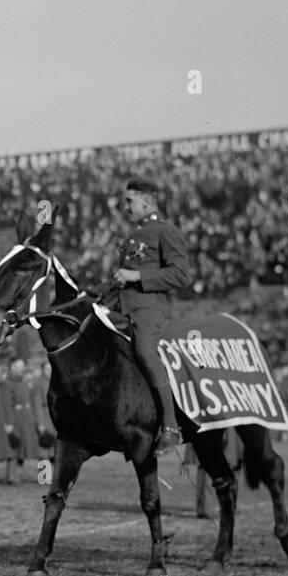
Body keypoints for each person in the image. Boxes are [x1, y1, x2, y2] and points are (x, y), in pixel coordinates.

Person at [107, 177, 192, 456]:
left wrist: (137, 275)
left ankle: (171, 428)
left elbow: (181, 275)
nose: (125, 206)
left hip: (148, 310)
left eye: (129, 201)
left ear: (146, 201)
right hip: (122, 306)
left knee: (145, 352)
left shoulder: (165, 232)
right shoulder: (133, 236)